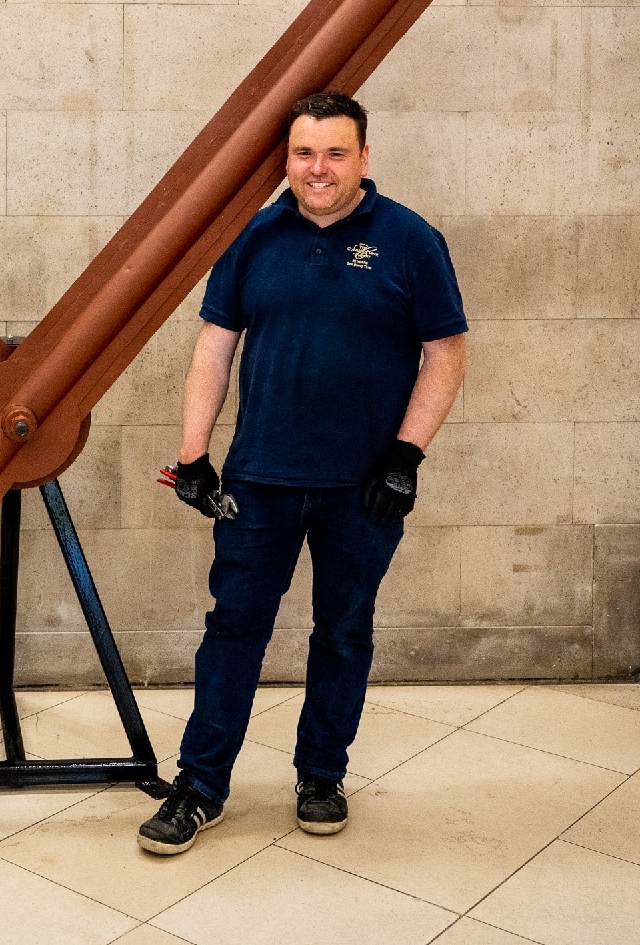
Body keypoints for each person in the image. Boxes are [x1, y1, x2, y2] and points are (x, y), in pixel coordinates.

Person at [138, 91, 467, 855]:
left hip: (366, 487)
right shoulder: (250, 237)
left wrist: (406, 456)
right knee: (233, 631)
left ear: (364, 157)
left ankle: (321, 772)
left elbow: (445, 353)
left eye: (335, 153)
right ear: (286, 158)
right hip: (260, 482)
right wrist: (194, 454)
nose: (317, 169)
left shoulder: (411, 240)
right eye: (304, 153)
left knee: (344, 631)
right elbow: (214, 348)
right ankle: (199, 786)